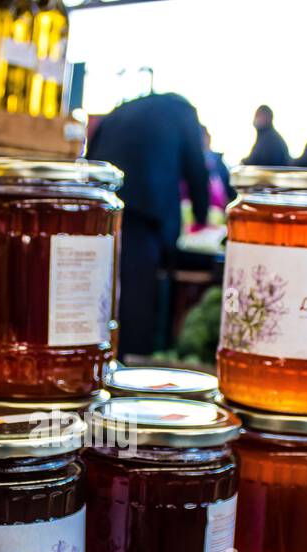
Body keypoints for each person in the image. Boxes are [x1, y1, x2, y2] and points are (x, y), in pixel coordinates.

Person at [87, 92, 210, 358]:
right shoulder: (182, 112)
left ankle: (96, 360)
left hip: (99, 210)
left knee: (96, 291)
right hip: (142, 212)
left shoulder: (125, 108)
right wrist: (202, 218)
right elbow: (197, 169)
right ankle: (130, 370)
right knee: (136, 302)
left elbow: (90, 157)